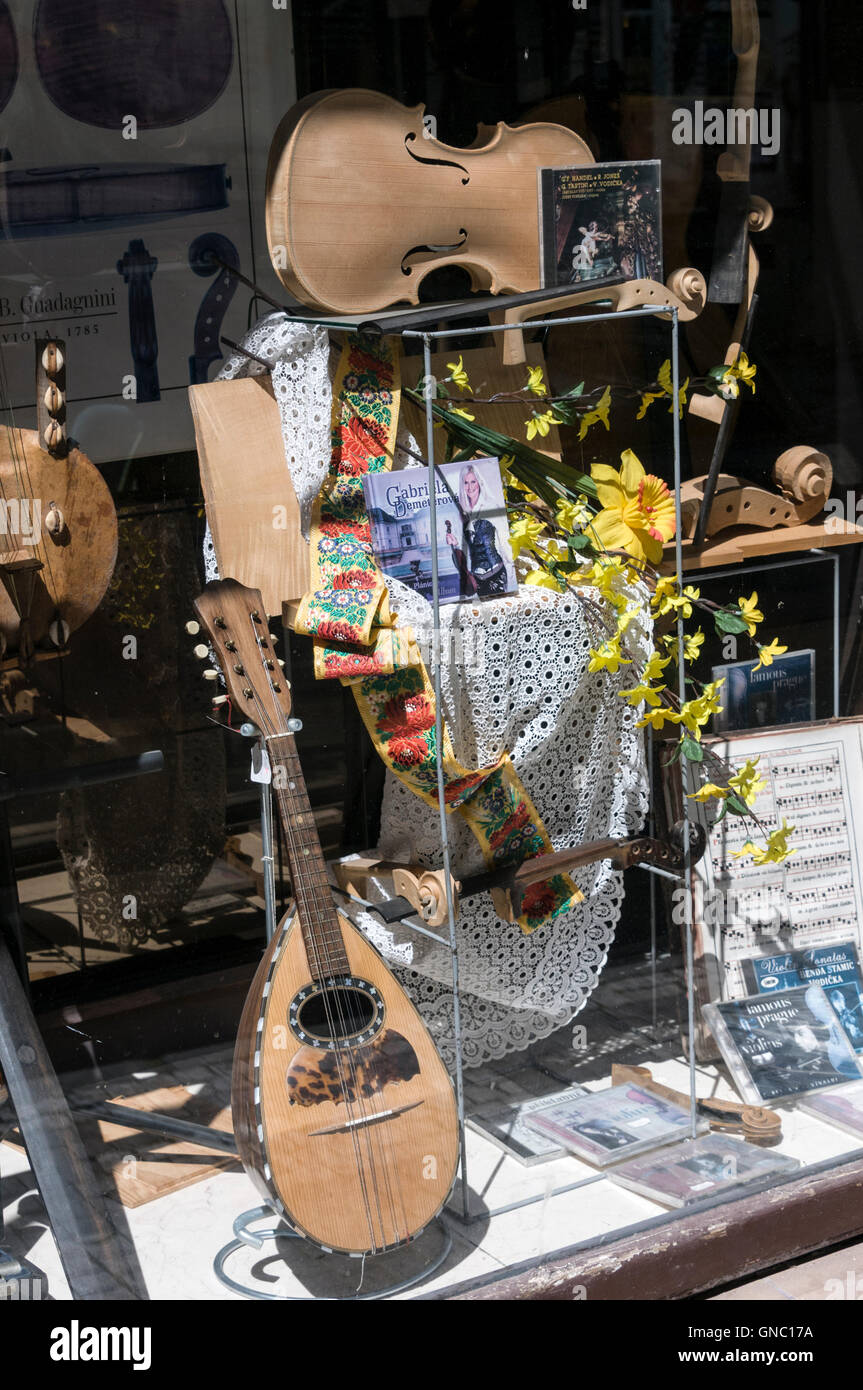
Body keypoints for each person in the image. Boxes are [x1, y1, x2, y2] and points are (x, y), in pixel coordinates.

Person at [444, 464, 512, 598]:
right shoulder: (461, 513)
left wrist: (511, 572)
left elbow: (504, 541)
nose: (470, 487)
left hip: (497, 573)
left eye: (473, 482)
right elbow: (464, 552)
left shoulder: (491, 505)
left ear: (479, 482)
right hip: (477, 579)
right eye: (466, 483)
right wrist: (454, 542)